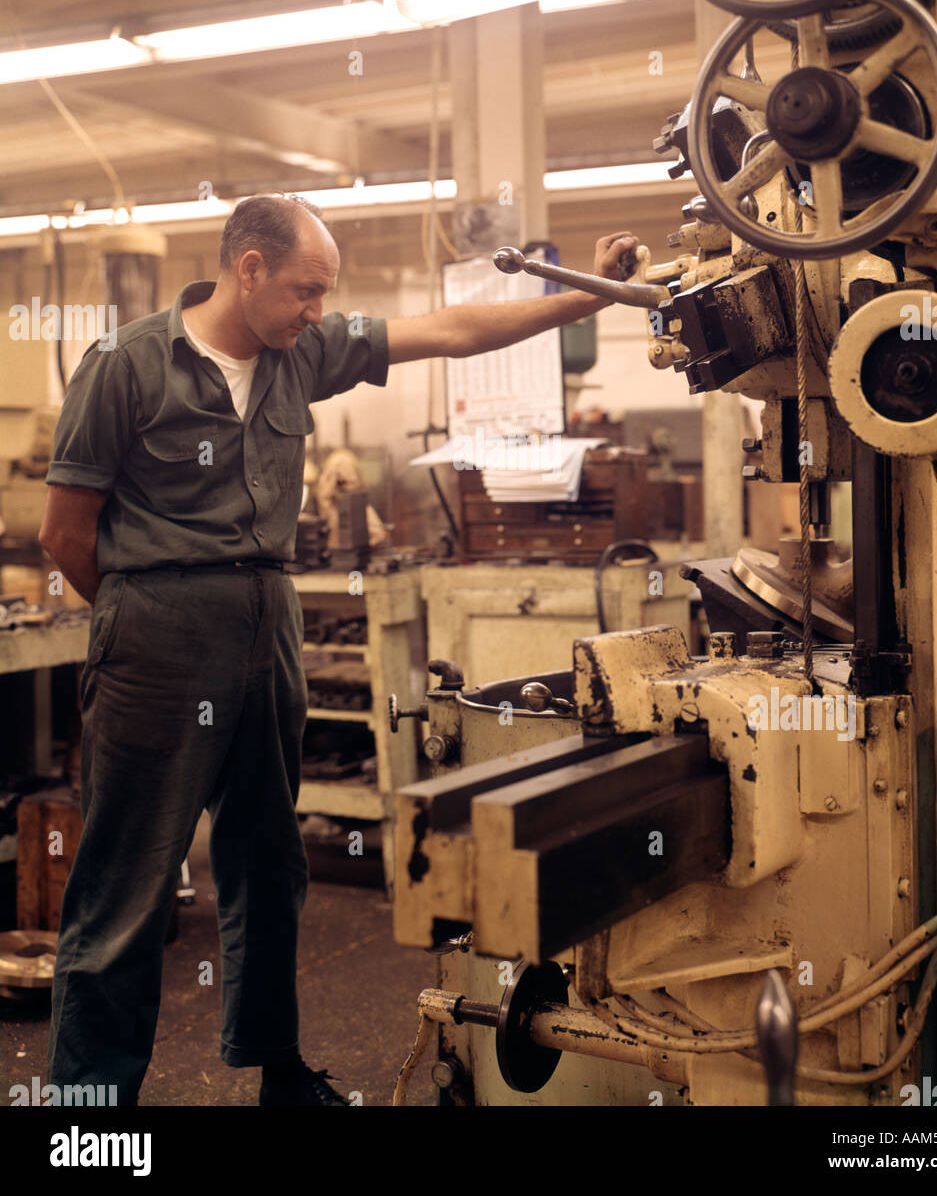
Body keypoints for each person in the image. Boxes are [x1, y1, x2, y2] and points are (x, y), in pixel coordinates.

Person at [38, 192, 638, 1106]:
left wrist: (587, 298)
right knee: (127, 882)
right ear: (248, 272)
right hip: (155, 632)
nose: (319, 310)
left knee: (269, 862)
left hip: (266, 620)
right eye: (305, 291)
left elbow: (449, 327)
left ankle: (277, 1068)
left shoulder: (300, 351)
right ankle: (89, 1107)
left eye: (326, 295)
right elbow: (63, 533)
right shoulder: (125, 366)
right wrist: (141, 616)